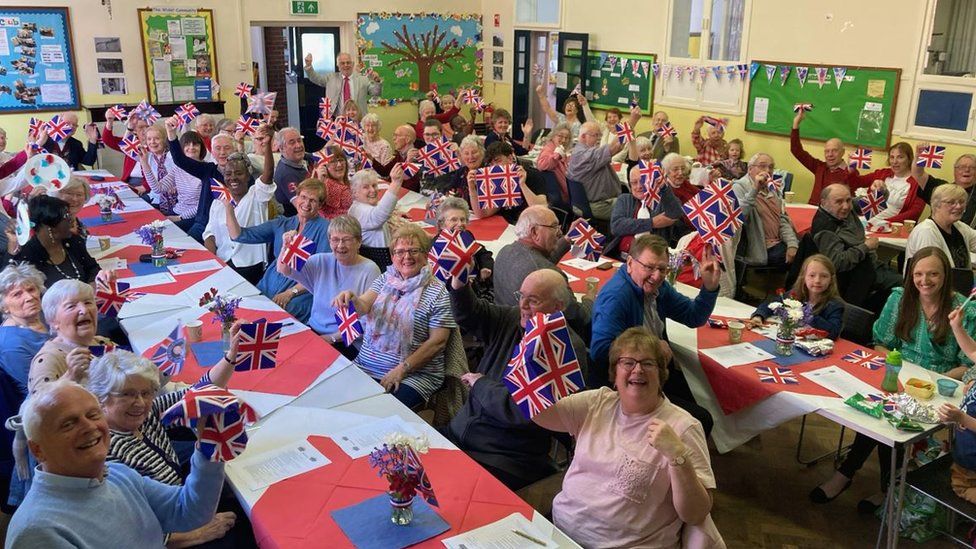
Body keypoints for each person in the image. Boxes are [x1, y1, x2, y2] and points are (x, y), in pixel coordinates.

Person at [811, 247, 976, 512]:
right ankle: (880, 484)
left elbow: (968, 364)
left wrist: (934, 379)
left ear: (945, 275)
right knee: (878, 412)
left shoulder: (964, 311)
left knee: (891, 419)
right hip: (898, 373)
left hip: (940, 385)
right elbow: (881, 344)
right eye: (918, 274)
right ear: (910, 275)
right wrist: (900, 368)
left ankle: (856, 477)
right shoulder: (900, 299)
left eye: (933, 274)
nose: (925, 280)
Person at [533, 327, 716, 548]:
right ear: (614, 374)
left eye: (648, 363)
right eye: (627, 362)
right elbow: (539, 412)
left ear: (661, 374)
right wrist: (532, 361)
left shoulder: (683, 427)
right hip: (559, 531)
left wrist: (678, 457)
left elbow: (695, 515)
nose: (637, 370)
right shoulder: (597, 403)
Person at [5, 381, 225, 547]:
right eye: (68, 424)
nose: (89, 427)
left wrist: (208, 449)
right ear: (38, 450)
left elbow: (188, 512)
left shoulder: (118, 474)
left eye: (93, 414)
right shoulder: (37, 532)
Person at [445, 269, 587, 489]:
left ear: (558, 307)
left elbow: (522, 410)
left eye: (533, 300)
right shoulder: (512, 319)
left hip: (506, 455)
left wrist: (481, 383)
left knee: (449, 493)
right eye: (521, 296)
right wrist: (459, 284)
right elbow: (470, 314)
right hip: (462, 431)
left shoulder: (562, 349)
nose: (523, 305)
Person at [87, 348, 243, 547]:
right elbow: (132, 530)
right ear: (101, 398)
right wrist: (197, 533)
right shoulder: (107, 455)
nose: (140, 403)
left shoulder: (146, 414)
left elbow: (199, 392)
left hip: (185, 503)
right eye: (127, 394)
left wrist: (231, 357)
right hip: (173, 532)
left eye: (146, 393)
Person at [590, 233, 719, 428]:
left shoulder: (659, 288)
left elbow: (693, 316)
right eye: (649, 267)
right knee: (701, 420)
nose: (657, 276)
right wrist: (649, 348)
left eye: (662, 269)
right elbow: (600, 352)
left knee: (702, 396)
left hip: (653, 371)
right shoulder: (616, 297)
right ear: (631, 263)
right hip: (626, 384)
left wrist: (709, 287)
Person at [333, 225, 456, 408]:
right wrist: (351, 298)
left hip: (414, 374)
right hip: (367, 364)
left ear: (425, 255)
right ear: (392, 256)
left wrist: (402, 369)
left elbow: (437, 342)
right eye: (399, 252)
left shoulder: (438, 292)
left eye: (414, 250)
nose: (406, 257)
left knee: (380, 412)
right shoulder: (385, 279)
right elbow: (364, 306)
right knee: (336, 400)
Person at [226, 178, 331, 324]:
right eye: (303, 197)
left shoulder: (325, 229)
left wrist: (291, 293)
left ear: (320, 204)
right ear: (297, 197)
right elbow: (239, 235)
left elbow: (322, 273)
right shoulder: (283, 223)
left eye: (313, 200)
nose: (306, 204)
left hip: (300, 292)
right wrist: (228, 209)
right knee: (246, 311)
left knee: (269, 322)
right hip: (270, 282)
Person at [276, 215, 379, 359]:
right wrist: (286, 247)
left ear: (359, 242)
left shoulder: (370, 270)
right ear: (329, 241)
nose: (340, 245)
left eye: (347, 239)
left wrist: (331, 338)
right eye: (335, 239)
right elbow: (284, 270)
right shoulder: (321, 260)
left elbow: (367, 321)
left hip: (346, 341)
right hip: (314, 329)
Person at [494, 206, 594, 337]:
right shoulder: (545, 274)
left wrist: (568, 239)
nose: (560, 232)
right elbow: (579, 318)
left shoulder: (505, 251)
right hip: (537, 341)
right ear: (534, 232)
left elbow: (539, 260)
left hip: (504, 334)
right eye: (554, 227)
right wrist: (590, 300)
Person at [0, 264, 48, 509]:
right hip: (42, 416)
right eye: (17, 294)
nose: (28, 296)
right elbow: (38, 393)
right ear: (4, 305)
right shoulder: (10, 344)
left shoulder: (44, 320)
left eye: (31, 289)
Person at [809, 184, 901, 310]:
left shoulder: (844, 209)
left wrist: (881, 191)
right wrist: (865, 247)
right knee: (902, 286)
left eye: (848, 200)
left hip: (869, 264)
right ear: (824, 203)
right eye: (839, 202)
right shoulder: (826, 229)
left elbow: (874, 205)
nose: (846, 206)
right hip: (856, 274)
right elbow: (836, 263)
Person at [204, 126, 275, 286]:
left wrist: (267, 145)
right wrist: (212, 259)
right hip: (223, 261)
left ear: (248, 175)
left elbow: (268, 174)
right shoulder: (218, 201)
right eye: (228, 174)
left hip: (250, 265)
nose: (233, 178)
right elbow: (209, 234)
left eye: (239, 173)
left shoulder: (256, 196)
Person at [165, 116, 237, 241]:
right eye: (218, 149)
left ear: (234, 150)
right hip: (203, 222)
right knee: (168, 236)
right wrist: (171, 133)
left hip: (227, 224)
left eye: (227, 148)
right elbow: (179, 160)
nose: (222, 152)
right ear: (212, 152)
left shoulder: (241, 174)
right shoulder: (208, 169)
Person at [747, 254, 845, 339]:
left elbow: (834, 332)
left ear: (831, 279)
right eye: (812, 275)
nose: (817, 280)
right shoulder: (795, 294)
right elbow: (771, 304)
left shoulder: (834, 304)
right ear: (804, 277)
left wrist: (807, 315)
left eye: (824, 276)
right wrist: (759, 316)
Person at [12, 196, 99, 286]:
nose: (72, 220)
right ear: (49, 227)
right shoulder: (27, 256)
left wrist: (92, 284)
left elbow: (92, 268)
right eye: (66, 217)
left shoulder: (74, 241)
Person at [937, 306, 976, 505]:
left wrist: (960, 417)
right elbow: (972, 350)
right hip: (966, 455)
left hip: (971, 466)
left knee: (961, 487)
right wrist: (957, 326)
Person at [732, 153, 799, 267]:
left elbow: (782, 220)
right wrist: (755, 189)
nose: (768, 170)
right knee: (804, 260)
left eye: (771, 167)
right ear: (750, 169)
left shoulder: (772, 190)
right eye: (762, 166)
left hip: (778, 242)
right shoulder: (739, 187)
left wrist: (792, 244)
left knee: (807, 250)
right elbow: (739, 216)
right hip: (760, 249)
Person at [609, 165, 688, 256]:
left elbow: (676, 213)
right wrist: (652, 223)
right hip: (622, 256)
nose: (639, 186)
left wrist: (664, 188)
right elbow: (616, 226)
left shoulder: (663, 200)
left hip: (654, 257)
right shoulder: (625, 199)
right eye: (634, 183)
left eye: (643, 181)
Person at [790, 108, 863, 205]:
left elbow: (852, 201)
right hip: (813, 210)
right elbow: (796, 151)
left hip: (833, 215)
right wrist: (796, 124)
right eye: (827, 151)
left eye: (834, 151)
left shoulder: (850, 172)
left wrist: (850, 172)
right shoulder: (819, 167)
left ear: (843, 152)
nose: (830, 155)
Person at [140, 124, 204, 230]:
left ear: (201, 148)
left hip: (192, 216)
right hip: (176, 211)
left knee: (162, 231)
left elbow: (203, 205)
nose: (191, 147)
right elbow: (157, 189)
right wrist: (144, 163)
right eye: (187, 145)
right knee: (147, 226)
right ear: (181, 149)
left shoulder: (206, 170)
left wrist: (180, 217)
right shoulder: (178, 169)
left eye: (195, 144)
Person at [469, 141, 547, 225]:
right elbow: (482, 214)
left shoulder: (533, 175)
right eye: (491, 164)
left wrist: (522, 185)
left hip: (529, 225)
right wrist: (472, 189)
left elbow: (541, 209)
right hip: (505, 226)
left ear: (510, 158)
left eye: (497, 161)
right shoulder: (496, 181)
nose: (494, 166)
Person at [849, 142, 925, 224]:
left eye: (900, 157)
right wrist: (852, 168)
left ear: (909, 159)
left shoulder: (919, 182)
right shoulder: (882, 173)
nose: (895, 161)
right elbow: (856, 183)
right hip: (866, 221)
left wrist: (885, 223)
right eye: (892, 157)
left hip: (892, 227)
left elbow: (914, 213)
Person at [905, 183, 976, 270]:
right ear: (936, 205)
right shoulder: (926, 232)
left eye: (961, 202)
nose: (958, 206)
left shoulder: (959, 227)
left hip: (960, 281)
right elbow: (932, 272)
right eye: (951, 202)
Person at [436, 197, 494, 300]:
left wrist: (485, 267)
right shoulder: (437, 246)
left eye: (463, 219)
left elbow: (483, 253)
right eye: (454, 219)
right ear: (441, 224)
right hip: (454, 298)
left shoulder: (465, 235)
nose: (460, 224)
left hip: (478, 289)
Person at [567, 121, 624, 220]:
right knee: (632, 208)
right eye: (595, 135)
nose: (599, 139)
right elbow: (614, 147)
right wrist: (631, 122)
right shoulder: (585, 155)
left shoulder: (578, 151)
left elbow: (616, 147)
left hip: (583, 203)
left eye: (599, 135)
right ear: (584, 136)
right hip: (598, 206)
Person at [303, 52, 382, 117]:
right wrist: (309, 66)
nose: (346, 65)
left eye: (348, 62)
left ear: (353, 64)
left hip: (359, 121)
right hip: (338, 120)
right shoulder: (331, 78)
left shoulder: (363, 79)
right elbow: (316, 78)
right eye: (342, 63)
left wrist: (377, 81)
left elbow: (376, 92)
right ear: (338, 65)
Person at [348, 168, 405, 250]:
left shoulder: (363, 204)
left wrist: (395, 212)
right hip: (380, 260)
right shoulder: (358, 210)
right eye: (366, 187)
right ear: (355, 193)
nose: (373, 190)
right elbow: (380, 215)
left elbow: (379, 208)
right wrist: (396, 183)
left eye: (374, 185)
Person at [916, 152, 976, 226]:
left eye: (972, 167)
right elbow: (919, 174)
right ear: (955, 170)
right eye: (962, 167)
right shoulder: (941, 188)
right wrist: (919, 156)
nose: (967, 170)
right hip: (936, 234)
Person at [432, 135, 486, 215]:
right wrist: (441, 198)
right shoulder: (461, 171)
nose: (470, 157)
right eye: (466, 153)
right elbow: (449, 190)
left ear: (482, 152)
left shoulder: (488, 173)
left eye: (474, 152)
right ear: (462, 155)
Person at [102, 110, 151, 190]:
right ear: (135, 130)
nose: (145, 130)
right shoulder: (131, 143)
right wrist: (109, 121)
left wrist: (145, 187)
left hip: (147, 184)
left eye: (147, 127)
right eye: (141, 127)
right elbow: (107, 139)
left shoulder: (156, 145)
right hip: (128, 181)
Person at [271, 127, 313, 217]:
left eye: (299, 140)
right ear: (282, 148)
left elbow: (323, 155)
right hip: (298, 221)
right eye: (292, 142)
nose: (298, 145)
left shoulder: (301, 158)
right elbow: (303, 207)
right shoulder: (286, 174)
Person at [373, 125, 420, 190]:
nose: (394, 138)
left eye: (397, 135)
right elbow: (385, 172)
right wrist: (372, 159)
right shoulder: (400, 154)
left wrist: (408, 163)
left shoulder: (415, 157)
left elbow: (410, 187)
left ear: (407, 139)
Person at [535, 122, 572, 206]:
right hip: (562, 197)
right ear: (553, 136)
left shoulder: (560, 150)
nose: (564, 140)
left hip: (563, 194)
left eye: (567, 138)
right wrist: (557, 156)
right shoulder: (550, 149)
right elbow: (541, 166)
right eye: (560, 136)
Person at [316, 145, 353, 219]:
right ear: (325, 166)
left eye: (341, 160)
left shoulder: (349, 183)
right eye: (333, 161)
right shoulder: (326, 185)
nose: (339, 165)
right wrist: (320, 181)